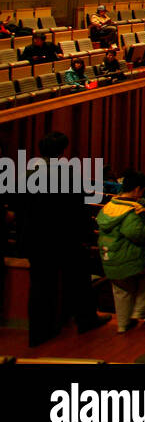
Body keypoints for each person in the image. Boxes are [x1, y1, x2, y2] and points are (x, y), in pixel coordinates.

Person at [12, 132, 110, 345]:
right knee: (78, 280)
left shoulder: (25, 175)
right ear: (62, 151)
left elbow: (18, 209)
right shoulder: (67, 174)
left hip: (36, 241)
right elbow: (78, 210)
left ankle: (39, 333)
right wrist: (86, 236)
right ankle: (85, 320)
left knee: (40, 286)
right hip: (65, 239)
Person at [96, 170, 145, 333]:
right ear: (136, 190)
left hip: (109, 258)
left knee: (121, 292)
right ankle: (137, 313)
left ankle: (122, 324)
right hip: (130, 260)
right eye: (141, 191)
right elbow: (135, 232)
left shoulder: (109, 206)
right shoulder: (132, 210)